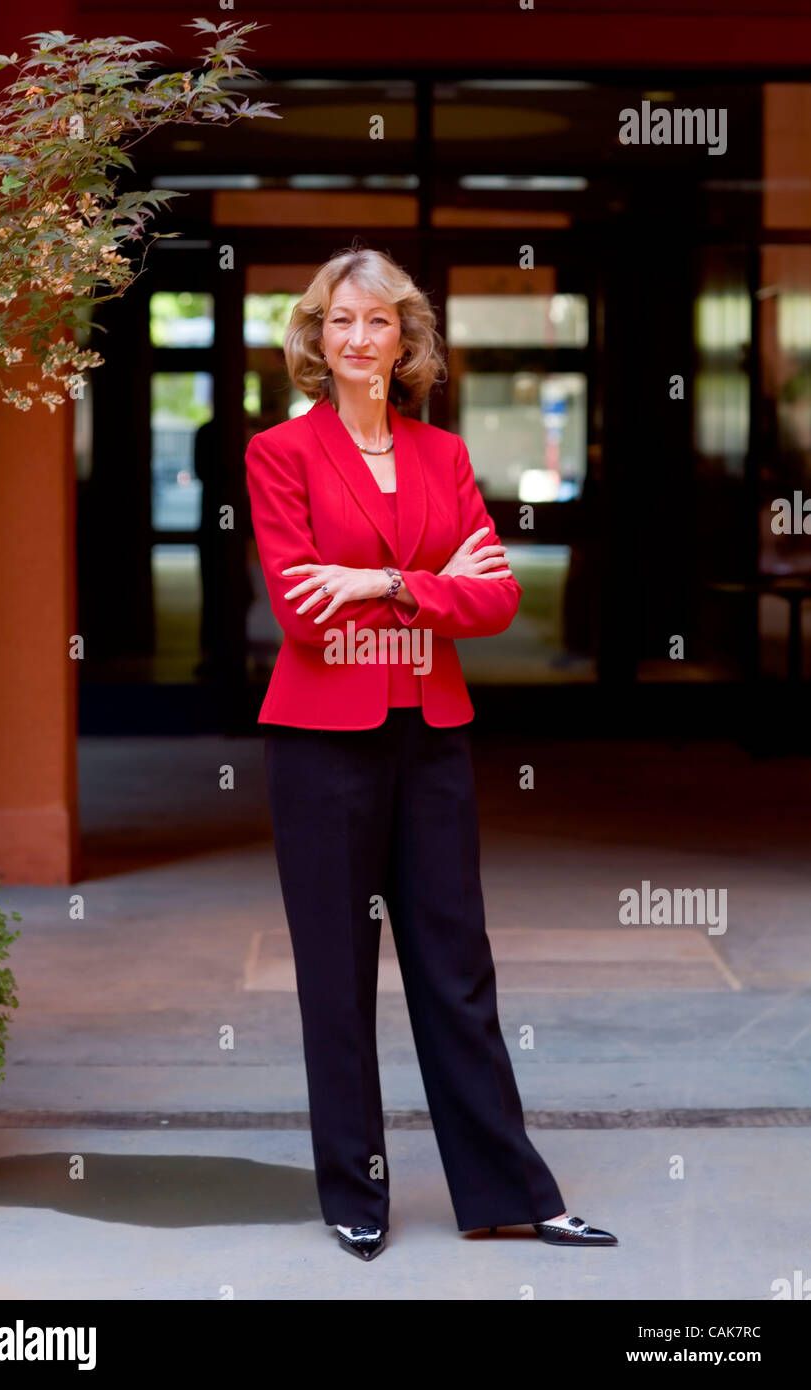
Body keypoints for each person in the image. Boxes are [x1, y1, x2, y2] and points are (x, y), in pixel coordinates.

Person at [245, 244, 618, 1261]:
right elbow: (303, 613)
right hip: (320, 743)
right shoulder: (278, 454)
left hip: (432, 735)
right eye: (339, 321)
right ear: (315, 340)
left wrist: (380, 584)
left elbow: (494, 599)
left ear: (405, 339)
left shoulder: (443, 458)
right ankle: (354, 1192)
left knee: (456, 969)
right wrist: (422, 576)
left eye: (377, 321)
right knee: (336, 975)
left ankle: (506, 1189)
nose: (358, 338)